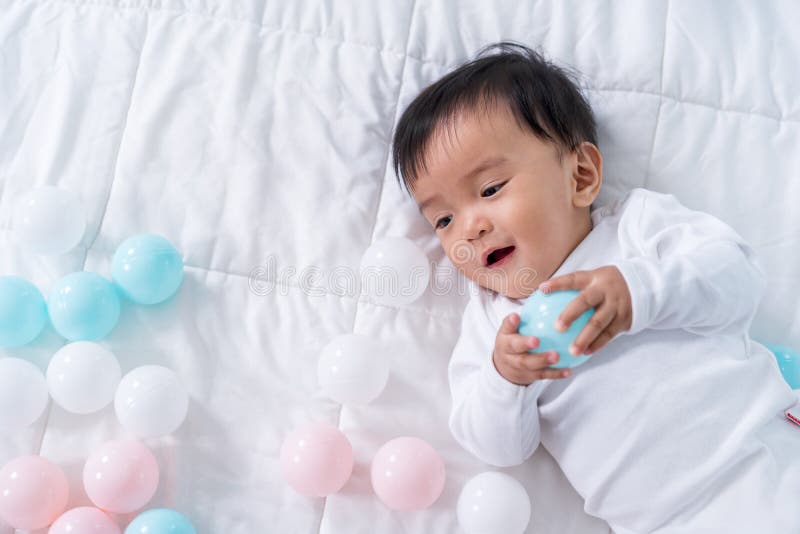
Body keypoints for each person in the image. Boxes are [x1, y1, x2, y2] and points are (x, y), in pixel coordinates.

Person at [392, 42, 800, 533]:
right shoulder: (494, 325)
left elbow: (738, 278)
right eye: (443, 218)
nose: (469, 229)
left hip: (765, 458)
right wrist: (506, 378)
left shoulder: (635, 230)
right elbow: (497, 447)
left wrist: (640, 291)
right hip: (668, 522)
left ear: (581, 175)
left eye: (490, 189)